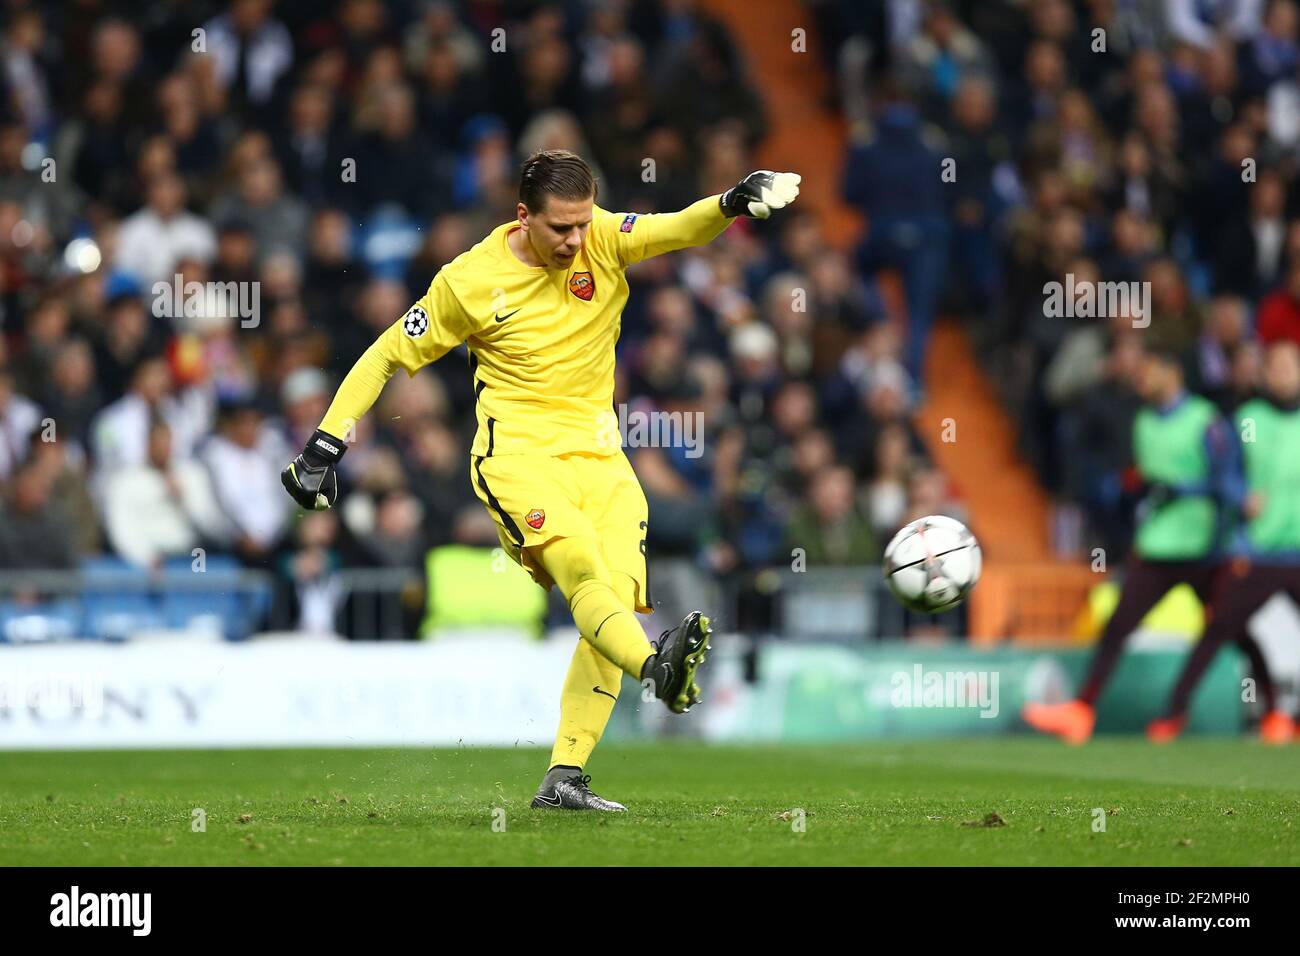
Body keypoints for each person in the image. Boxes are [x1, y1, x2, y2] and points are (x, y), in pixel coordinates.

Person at [281, 149, 800, 809]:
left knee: (606, 602)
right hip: (518, 461)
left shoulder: (603, 240)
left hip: (605, 464)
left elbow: (680, 227)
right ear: (523, 217)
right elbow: (387, 353)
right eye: (561, 228)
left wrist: (731, 201)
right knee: (583, 570)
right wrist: (326, 443)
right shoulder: (469, 280)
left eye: (583, 223)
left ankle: (566, 777)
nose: (576, 240)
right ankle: (655, 666)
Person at [1023, 347, 1239, 744]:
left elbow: (1228, 485)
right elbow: (1144, 481)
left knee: (1235, 630)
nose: (1140, 378)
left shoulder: (1205, 421)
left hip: (1202, 550)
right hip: (1157, 548)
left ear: (1173, 372)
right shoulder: (1142, 421)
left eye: (1149, 369)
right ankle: (1082, 710)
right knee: (1117, 626)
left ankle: (1270, 709)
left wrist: (1184, 493)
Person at [1147, 340, 1300, 743]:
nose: (1284, 373)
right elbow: (1225, 472)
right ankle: (1173, 713)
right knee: (1219, 628)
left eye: (1291, 365)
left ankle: (1289, 717)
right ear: (1265, 374)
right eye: (1277, 366)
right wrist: (1240, 496)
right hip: (1257, 550)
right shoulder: (1248, 419)